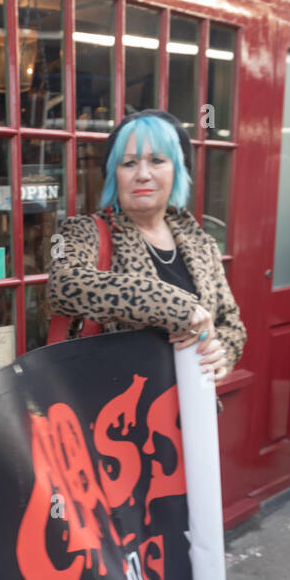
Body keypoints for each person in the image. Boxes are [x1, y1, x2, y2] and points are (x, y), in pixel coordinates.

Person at [47, 109, 245, 382]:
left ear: (178, 170)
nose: (142, 174)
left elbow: (230, 321)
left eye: (157, 161)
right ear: (113, 175)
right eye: (128, 163)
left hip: (190, 410)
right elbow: (63, 285)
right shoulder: (84, 231)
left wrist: (221, 351)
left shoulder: (201, 243)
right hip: (114, 410)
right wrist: (175, 306)